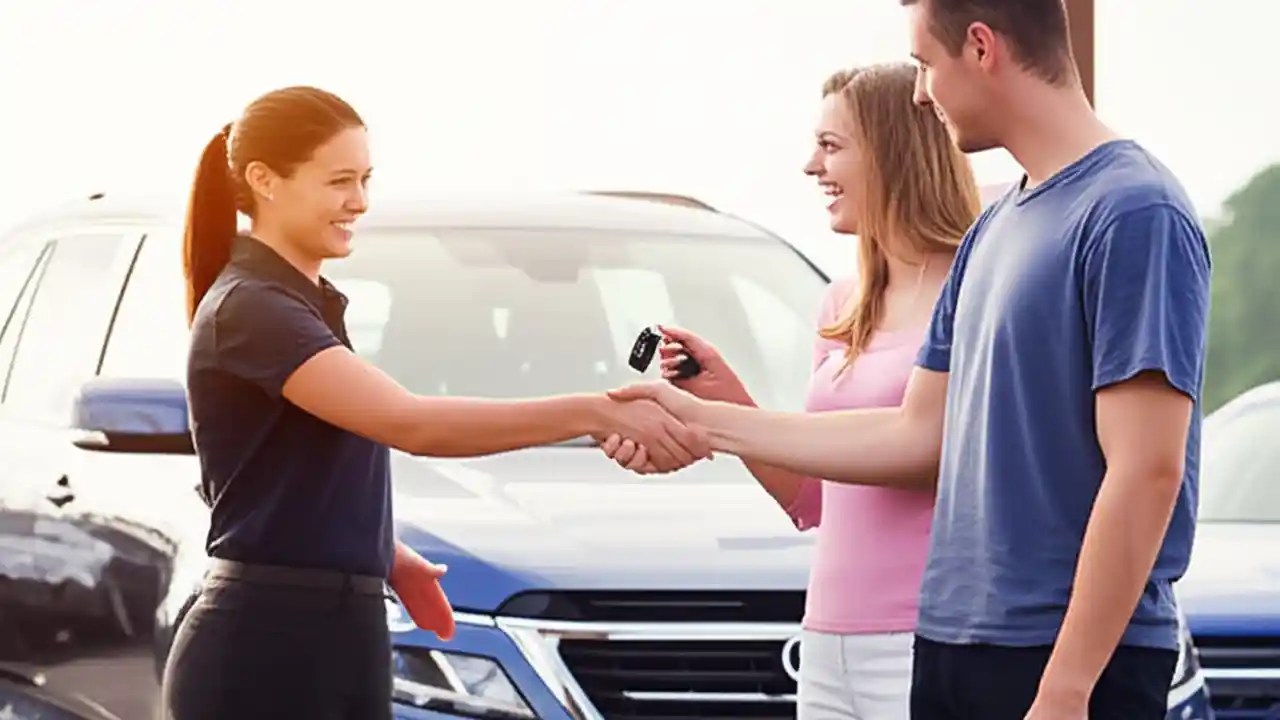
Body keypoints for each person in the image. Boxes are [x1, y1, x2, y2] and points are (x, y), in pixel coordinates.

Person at [604, 1, 1213, 718]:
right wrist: (701, 419)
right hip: (955, 646)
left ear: (981, 47)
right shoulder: (997, 229)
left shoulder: (1134, 211)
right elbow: (913, 435)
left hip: (1059, 662)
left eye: (925, 64)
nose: (921, 93)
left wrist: (1067, 688)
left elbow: (1147, 470)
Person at [159, 85, 708, 720]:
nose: (360, 202)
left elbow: (278, 468)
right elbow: (411, 423)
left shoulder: (298, 303)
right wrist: (596, 411)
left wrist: (380, 551)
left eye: (365, 179)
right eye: (339, 181)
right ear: (264, 180)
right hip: (265, 652)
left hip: (333, 639)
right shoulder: (254, 309)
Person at [602, 62, 979, 719]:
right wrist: (726, 403)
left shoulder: (976, 292)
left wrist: (713, 423)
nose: (811, 166)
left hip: (929, 640)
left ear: (893, 152)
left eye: (831, 146)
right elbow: (816, 500)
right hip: (826, 645)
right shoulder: (843, 304)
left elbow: (927, 453)